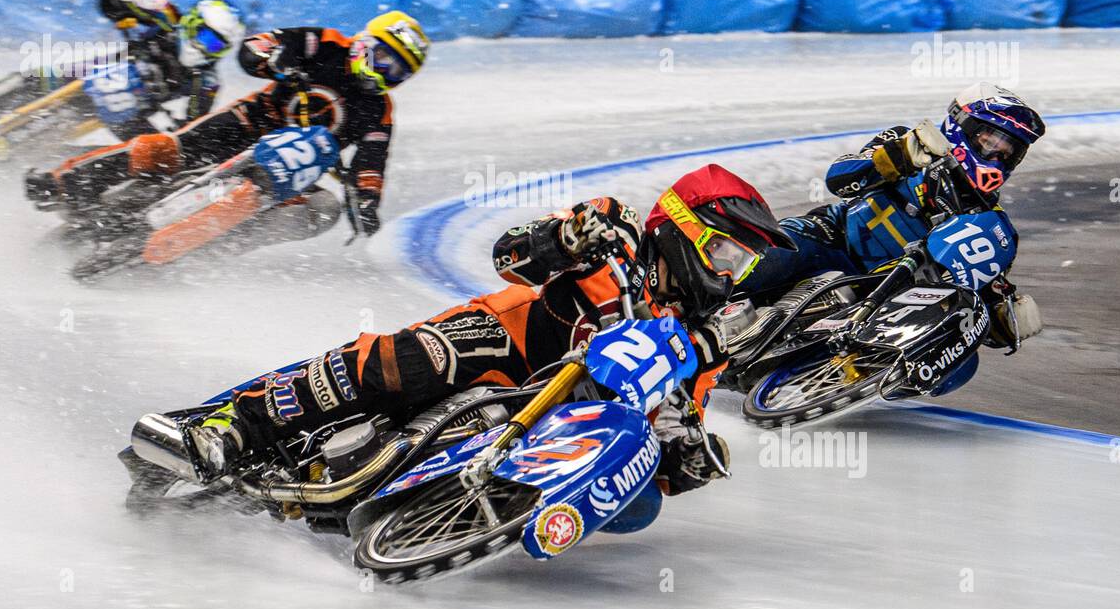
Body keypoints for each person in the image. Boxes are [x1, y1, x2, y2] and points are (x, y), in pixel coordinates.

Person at [184, 164, 799, 527]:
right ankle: (243, 421)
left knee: (639, 507)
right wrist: (570, 234)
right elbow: (511, 256)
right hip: (505, 344)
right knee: (420, 360)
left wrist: (683, 451)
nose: (729, 275)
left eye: (742, 264)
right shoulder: (622, 232)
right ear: (684, 229)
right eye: (725, 253)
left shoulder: (702, 340)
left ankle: (457, 517)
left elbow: (673, 435)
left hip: (559, 420)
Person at [732, 83, 1047, 393]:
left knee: (962, 364)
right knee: (773, 256)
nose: (997, 156)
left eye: (1008, 152)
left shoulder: (990, 223)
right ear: (961, 126)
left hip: (884, 298)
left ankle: (839, 381)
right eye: (990, 141)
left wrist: (1002, 319)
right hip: (834, 238)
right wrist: (898, 158)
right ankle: (700, 303)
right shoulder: (908, 143)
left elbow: (971, 298)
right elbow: (839, 178)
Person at [25, 12, 428, 242]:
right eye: (382, 58)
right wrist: (273, 61)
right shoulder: (322, 43)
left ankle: (218, 247)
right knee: (165, 149)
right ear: (363, 43)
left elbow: (372, 162)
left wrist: (368, 204)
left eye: (396, 72)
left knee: (322, 212)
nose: (384, 73)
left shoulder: (380, 111)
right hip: (247, 124)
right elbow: (257, 46)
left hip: (291, 167)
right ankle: (64, 182)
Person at [0, 0, 243, 145]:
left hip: (133, 111)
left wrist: (179, 130)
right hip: (106, 69)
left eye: (215, 45)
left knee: (148, 153)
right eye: (204, 37)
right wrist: (119, 6)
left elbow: (195, 122)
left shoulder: (208, 81)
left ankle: (43, 175)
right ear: (192, 23)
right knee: (35, 78)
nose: (204, 48)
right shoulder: (167, 13)